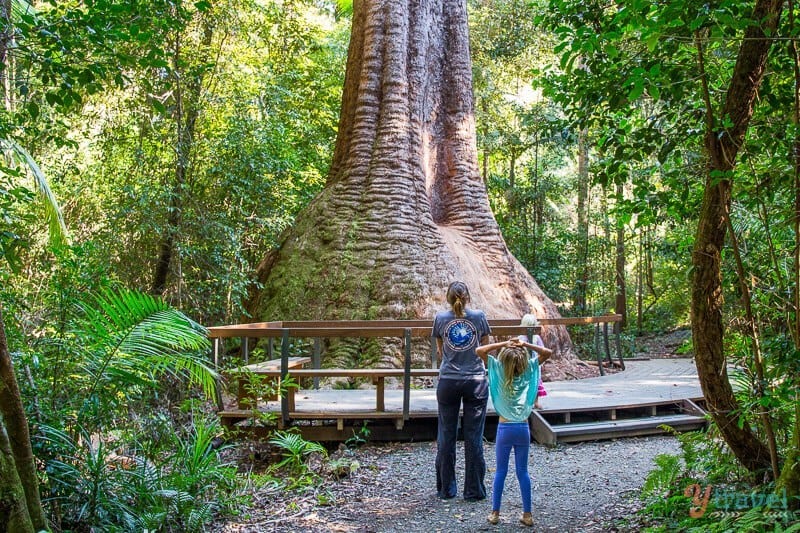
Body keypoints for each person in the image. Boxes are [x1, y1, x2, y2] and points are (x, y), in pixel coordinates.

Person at [476, 337, 553, 527]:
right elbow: (547, 353)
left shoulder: (498, 369)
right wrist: (525, 345)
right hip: (522, 428)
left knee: (501, 471)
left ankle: (495, 514)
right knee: (522, 472)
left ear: (504, 359)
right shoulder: (529, 370)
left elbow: (480, 351)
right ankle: (527, 515)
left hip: (505, 428)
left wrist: (503, 344)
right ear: (522, 361)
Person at [432, 281, 491, 501]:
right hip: (475, 380)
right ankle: (474, 490)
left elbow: (440, 351)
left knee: (446, 435)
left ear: (448, 298)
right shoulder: (479, 317)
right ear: (468, 297)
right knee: (473, 436)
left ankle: (446, 489)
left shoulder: (440, 319)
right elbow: (485, 347)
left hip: (448, 380)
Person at [519, 313, 547, 409]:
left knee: (535, 381)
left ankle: (536, 402)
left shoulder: (536, 338)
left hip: (535, 363)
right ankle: (526, 402)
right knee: (524, 382)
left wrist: (541, 360)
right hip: (523, 363)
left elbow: (542, 349)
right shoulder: (521, 338)